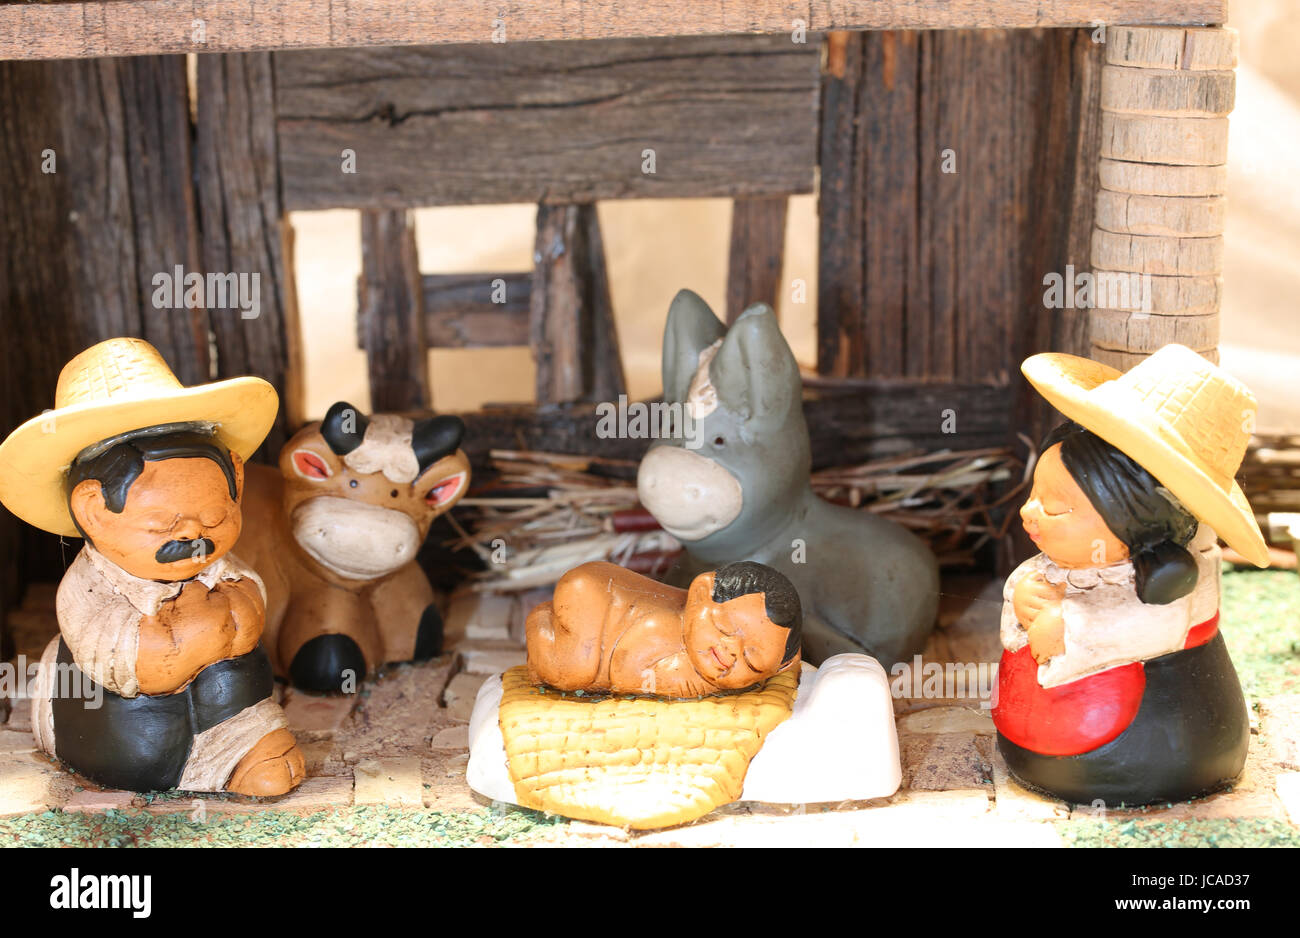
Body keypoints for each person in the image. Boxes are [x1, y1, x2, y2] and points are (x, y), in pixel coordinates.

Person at [0, 338, 305, 795]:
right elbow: (129, 663)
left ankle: (245, 752)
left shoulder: (216, 563)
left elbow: (247, 602)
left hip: (235, 719)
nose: (192, 535)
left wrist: (242, 610)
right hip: (124, 733)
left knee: (269, 759)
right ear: (94, 513)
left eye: (215, 516)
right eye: (164, 524)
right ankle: (154, 770)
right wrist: (189, 638)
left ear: (236, 482)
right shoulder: (87, 587)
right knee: (139, 751)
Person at [993, 345, 1269, 805]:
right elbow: (1031, 589)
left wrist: (1068, 622)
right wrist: (1023, 593)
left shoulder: (1172, 593)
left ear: (1135, 524)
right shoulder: (1071, 560)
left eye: (1056, 507)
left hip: (1148, 744)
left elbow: (1137, 625)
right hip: (1036, 724)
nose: (1029, 514)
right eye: (1034, 495)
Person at [526, 560, 801, 698]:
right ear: (699, 594)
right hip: (592, 595)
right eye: (724, 628)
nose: (730, 651)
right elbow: (624, 672)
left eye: (752, 663)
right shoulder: (665, 627)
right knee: (570, 671)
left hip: (611, 591)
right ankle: (541, 624)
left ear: (780, 666)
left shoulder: (780, 659)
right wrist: (688, 687)